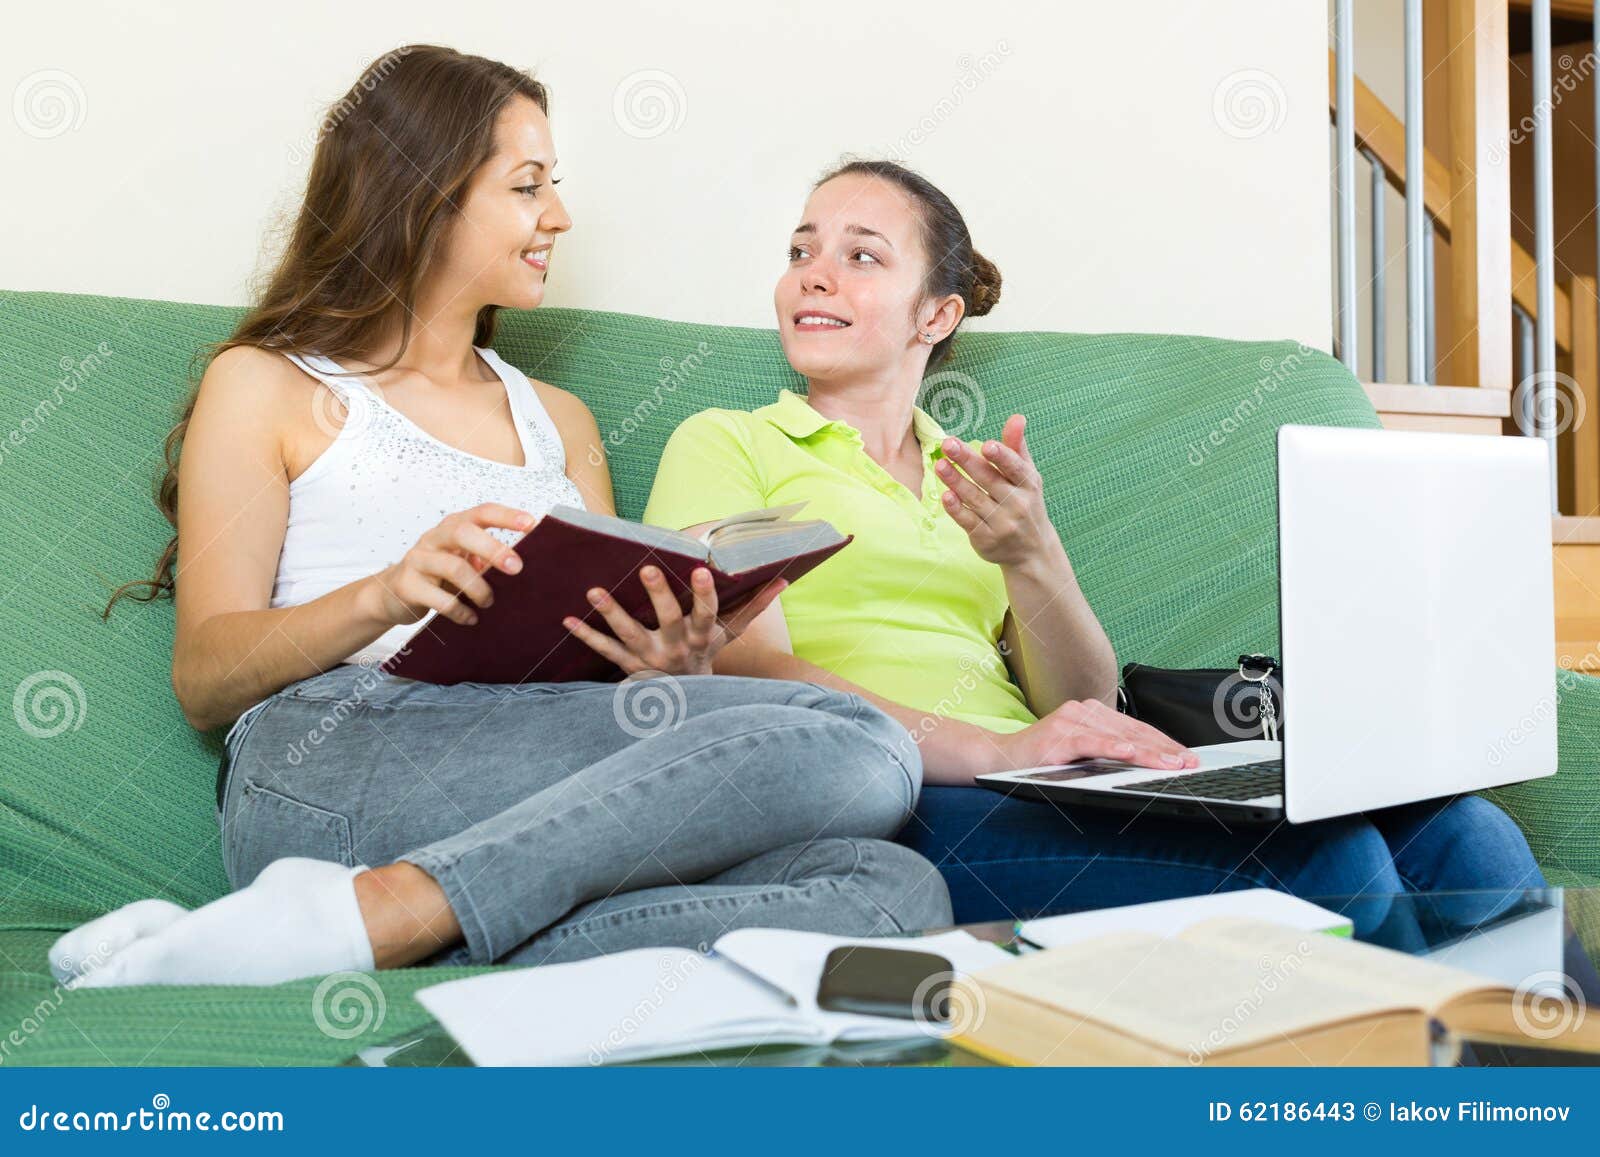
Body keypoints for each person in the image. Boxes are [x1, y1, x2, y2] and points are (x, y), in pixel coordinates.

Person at [48, 51, 950, 990]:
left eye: (552, 187)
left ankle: (348, 929)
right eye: (528, 188)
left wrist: (669, 664)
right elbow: (204, 678)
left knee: (890, 895)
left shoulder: (561, 421)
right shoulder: (271, 382)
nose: (558, 216)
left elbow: (609, 684)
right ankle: (376, 908)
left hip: (538, 756)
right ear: (423, 198)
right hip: (330, 755)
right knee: (864, 744)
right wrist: (384, 594)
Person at [641, 158, 1545, 932]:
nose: (812, 274)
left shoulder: (979, 476)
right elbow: (746, 677)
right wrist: (997, 749)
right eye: (801, 251)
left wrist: (1033, 554)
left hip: (1045, 780)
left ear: (937, 317)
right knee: (1333, 866)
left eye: (860, 256)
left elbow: (1078, 699)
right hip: (892, 797)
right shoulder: (728, 441)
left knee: (1470, 837)